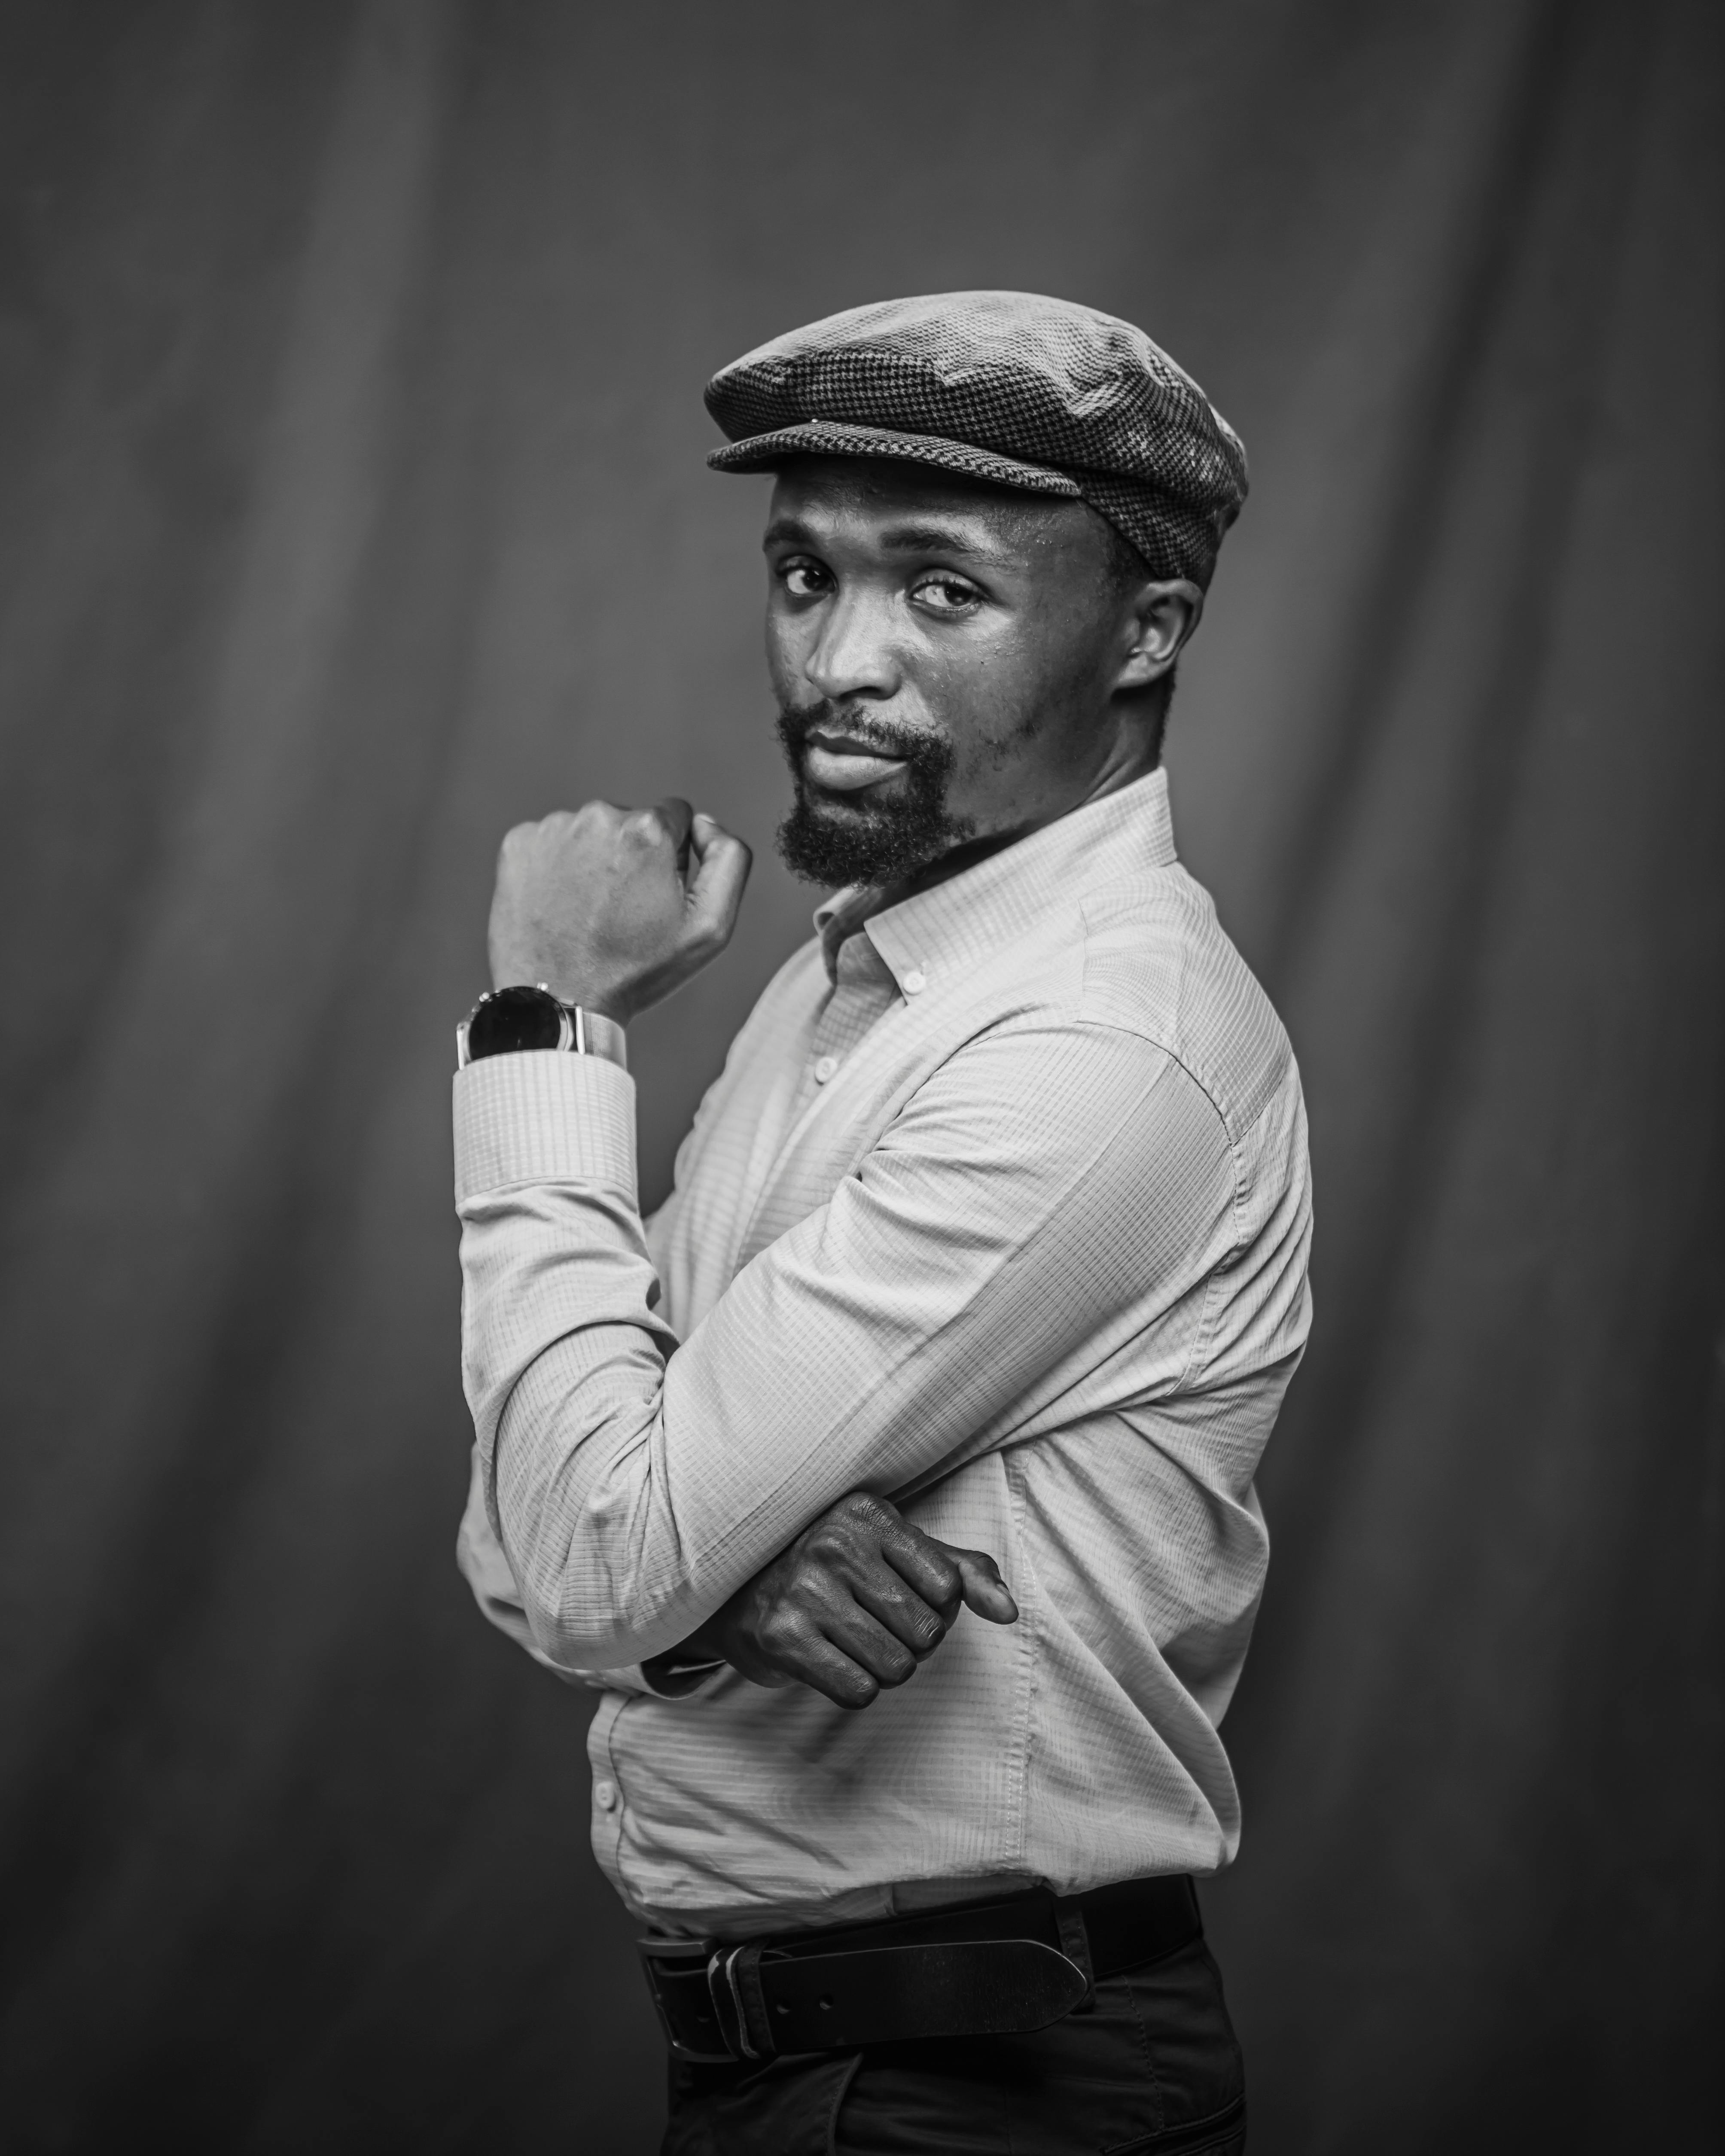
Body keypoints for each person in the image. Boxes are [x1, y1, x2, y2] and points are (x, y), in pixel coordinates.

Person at [453, 292, 1312, 2155]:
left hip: (984, 2094)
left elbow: (597, 1536)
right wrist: (708, 1597)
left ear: (1146, 627)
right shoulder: (851, 984)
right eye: (800, 575)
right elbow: (537, 1524)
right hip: (789, 2079)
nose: (837, 662)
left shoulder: (1102, 1041)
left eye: (938, 592)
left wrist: (544, 1021)